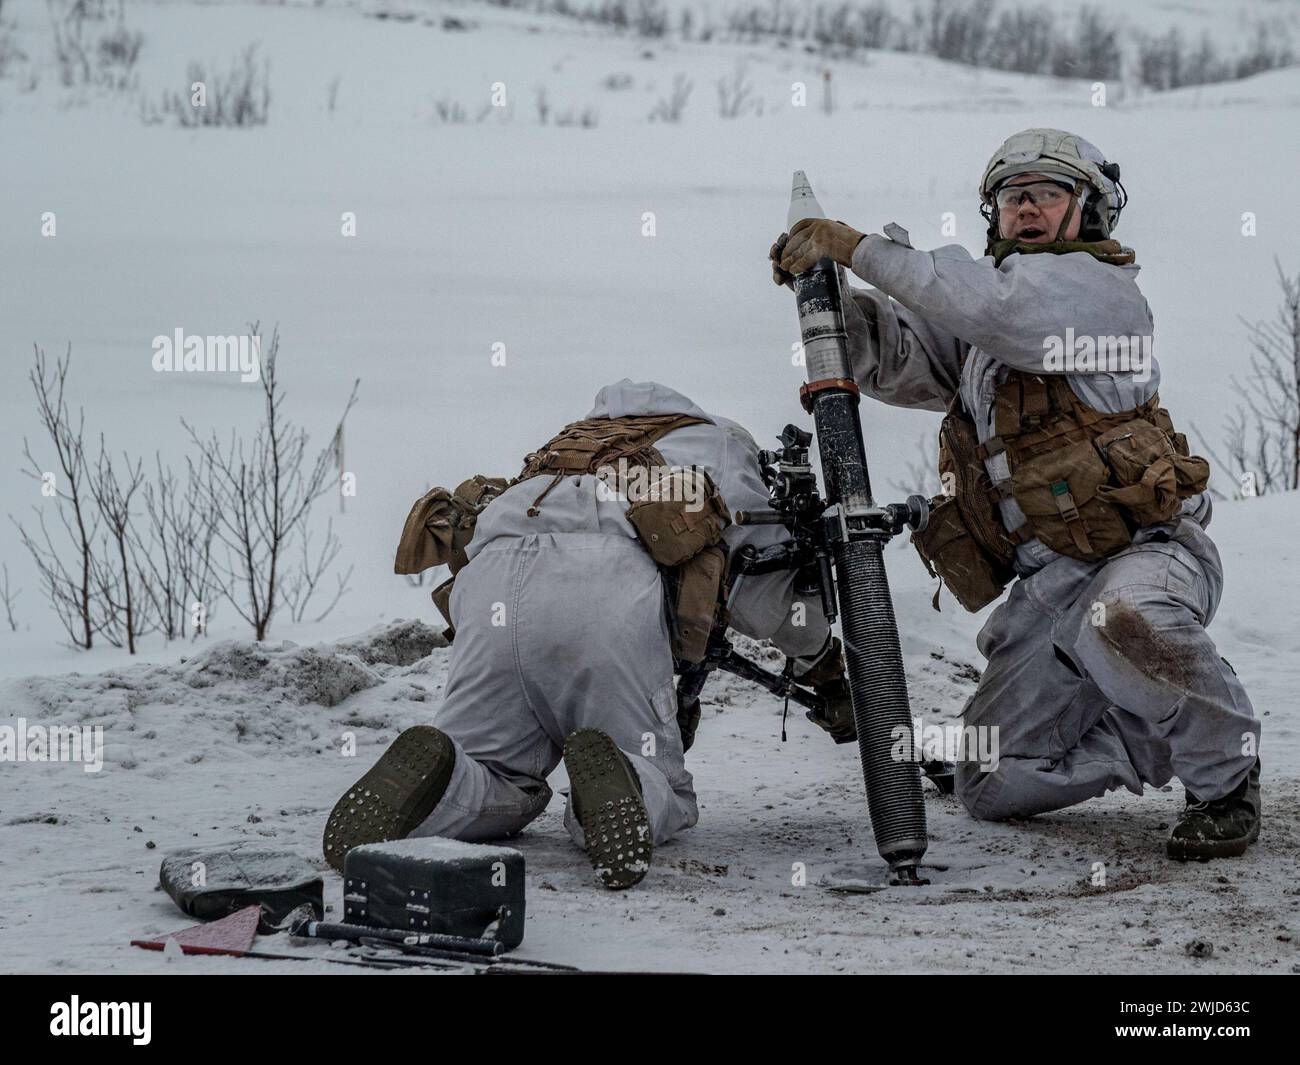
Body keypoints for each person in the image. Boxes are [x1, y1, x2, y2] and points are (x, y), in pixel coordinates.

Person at [770, 128, 1261, 860]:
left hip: (1147, 558)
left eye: (1046, 194)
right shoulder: (988, 332)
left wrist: (855, 244)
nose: (1025, 208)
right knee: (989, 781)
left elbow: (997, 308)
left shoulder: (1098, 293)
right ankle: (1142, 734)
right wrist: (836, 304)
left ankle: (1225, 776)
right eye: (1011, 197)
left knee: (1120, 619)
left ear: (1087, 211)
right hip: (1052, 582)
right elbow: (903, 358)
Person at [323, 379, 850, 888]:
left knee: (498, 774)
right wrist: (822, 666)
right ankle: (627, 784)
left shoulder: (569, 443)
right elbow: (767, 596)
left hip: (487, 585)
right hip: (605, 586)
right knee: (656, 780)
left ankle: (440, 789)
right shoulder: (720, 444)